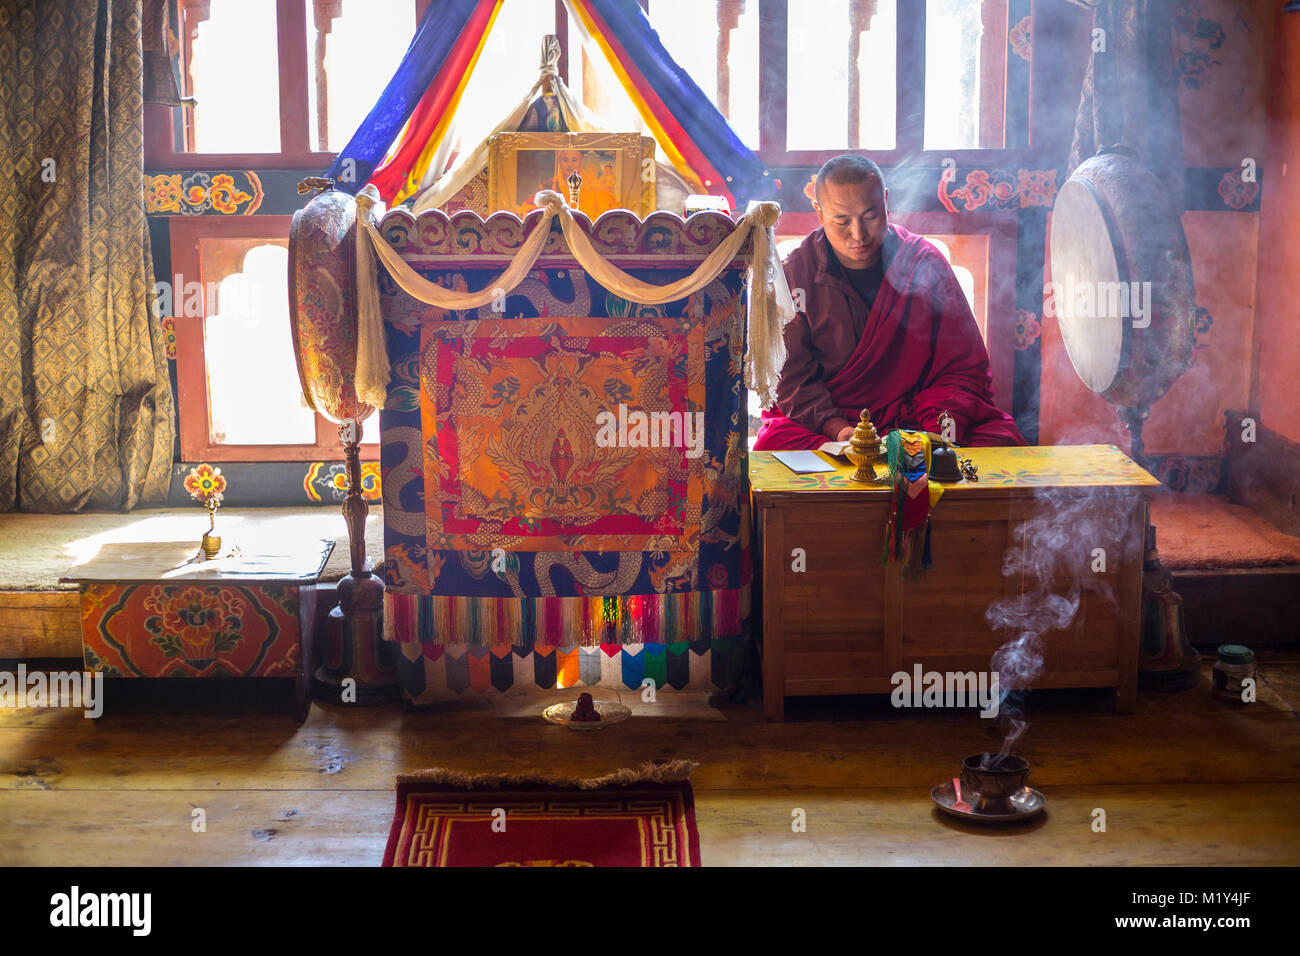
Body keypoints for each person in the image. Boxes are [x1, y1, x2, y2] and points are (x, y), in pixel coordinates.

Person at [753, 154, 1024, 449]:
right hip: (831, 424)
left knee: (1001, 440)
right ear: (819, 213)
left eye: (870, 216)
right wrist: (840, 430)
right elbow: (790, 379)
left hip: (917, 421)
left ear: (885, 201)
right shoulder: (795, 274)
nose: (858, 234)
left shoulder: (924, 264)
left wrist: (931, 434)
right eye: (842, 220)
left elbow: (962, 369)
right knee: (775, 444)